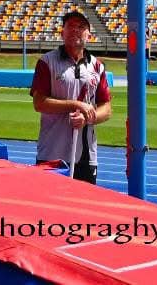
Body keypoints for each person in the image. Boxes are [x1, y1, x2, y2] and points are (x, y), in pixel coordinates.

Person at [30, 10, 111, 184]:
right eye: (71, 26)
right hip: (52, 152)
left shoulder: (97, 67)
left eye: (81, 27)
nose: (75, 30)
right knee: (49, 205)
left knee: (83, 207)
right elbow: (39, 103)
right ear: (62, 33)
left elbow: (107, 108)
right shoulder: (47, 62)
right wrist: (76, 105)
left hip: (86, 155)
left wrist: (88, 117)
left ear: (89, 35)